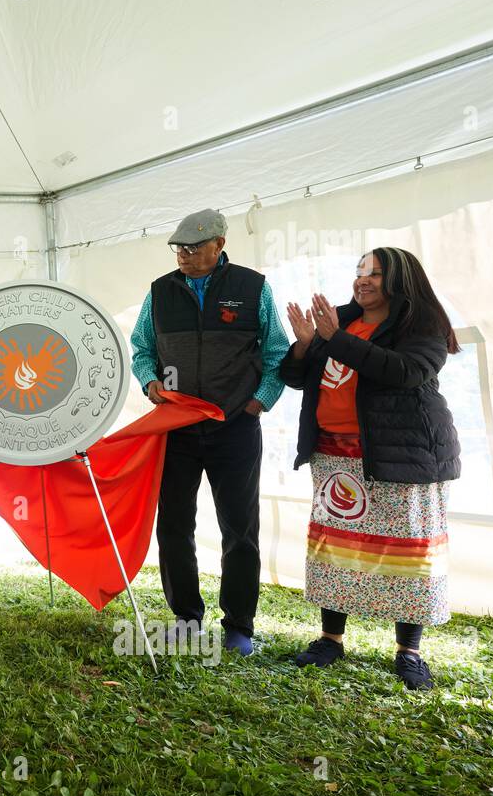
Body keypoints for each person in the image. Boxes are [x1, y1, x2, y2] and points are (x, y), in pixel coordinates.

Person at [282, 247, 460, 690]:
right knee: (337, 547)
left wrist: (335, 339)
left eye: (375, 274)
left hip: (401, 454)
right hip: (334, 455)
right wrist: (304, 345)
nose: (362, 280)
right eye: (359, 272)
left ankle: (409, 651)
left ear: (400, 279)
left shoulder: (422, 323)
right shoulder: (340, 320)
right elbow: (296, 377)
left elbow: (406, 371)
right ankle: (330, 639)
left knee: (407, 551)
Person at [129, 208, 290, 656]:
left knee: (239, 527)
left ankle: (239, 626)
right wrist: (149, 381)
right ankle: (186, 619)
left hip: (235, 427)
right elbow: (141, 348)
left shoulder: (253, 288)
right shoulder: (160, 292)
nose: (184, 255)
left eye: (194, 247)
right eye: (179, 248)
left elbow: (276, 350)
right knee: (174, 525)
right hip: (176, 428)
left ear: (219, 244)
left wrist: (260, 401)